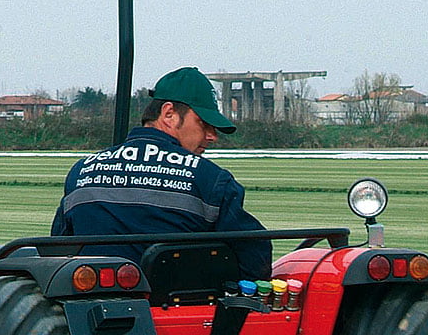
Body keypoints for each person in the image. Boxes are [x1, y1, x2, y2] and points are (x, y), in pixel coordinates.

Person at [51, 66, 271, 279]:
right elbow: (254, 260)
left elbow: (57, 251)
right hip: (178, 312)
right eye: (204, 124)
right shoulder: (210, 179)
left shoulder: (83, 171)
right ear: (169, 114)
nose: (212, 136)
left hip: (90, 311)